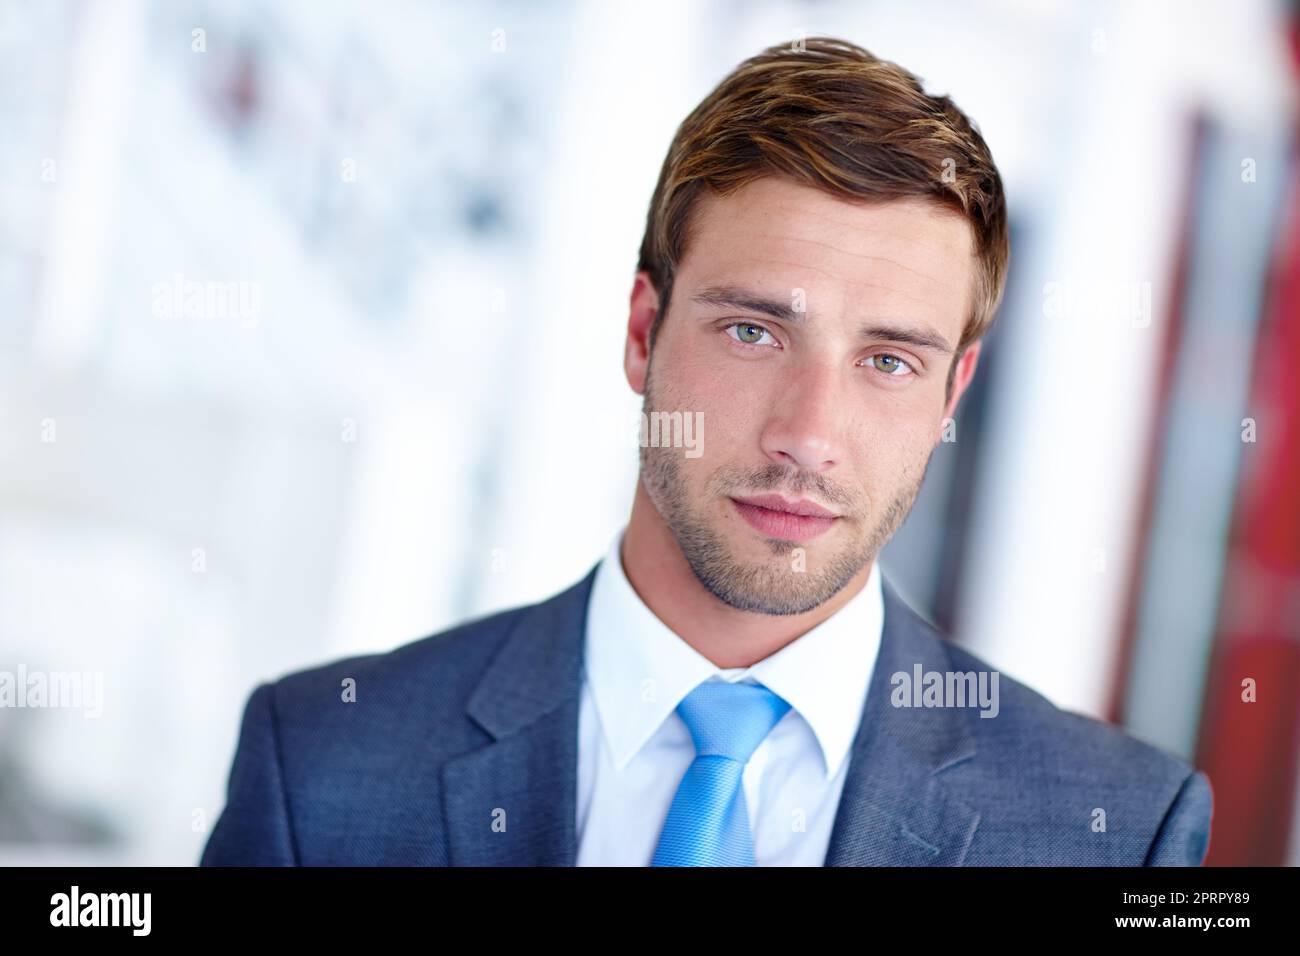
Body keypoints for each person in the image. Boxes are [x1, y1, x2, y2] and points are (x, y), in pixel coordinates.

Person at [200, 36, 1212, 867]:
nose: (807, 434)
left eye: (889, 361)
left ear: (954, 391)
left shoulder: (1117, 833)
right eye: (752, 332)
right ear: (642, 332)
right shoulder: (325, 767)